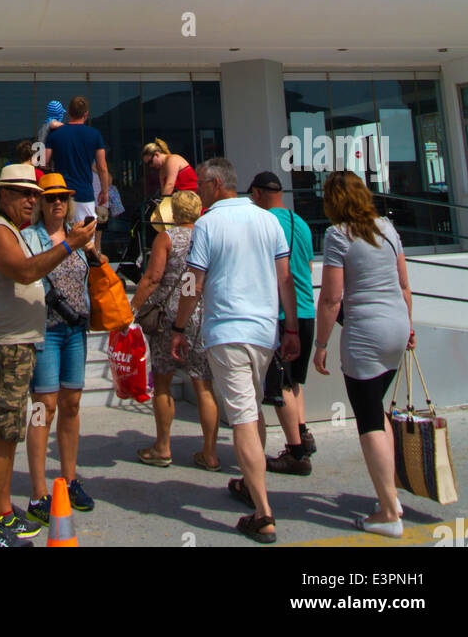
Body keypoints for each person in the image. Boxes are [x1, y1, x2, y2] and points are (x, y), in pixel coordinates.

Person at [0, 164, 96, 548]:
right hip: (6, 346)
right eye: (23, 193)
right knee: (3, 435)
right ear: (2, 195)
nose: (32, 200)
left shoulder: (9, 230)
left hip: (20, 342)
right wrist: (70, 244)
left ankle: (2, 512)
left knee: (12, 432)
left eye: (38, 194)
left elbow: (1, 283)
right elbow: (24, 273)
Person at [170, 157, 299, 544]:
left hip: (227, 331)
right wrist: (290, 327)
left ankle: (263, 514)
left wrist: (179, 326)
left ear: (213, 183)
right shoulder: (268, 220)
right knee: (253, 409)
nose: (197, 190)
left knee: (242, 417)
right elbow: (285, 279)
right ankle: (248, 482)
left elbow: (194, 280)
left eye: (201, 185)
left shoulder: (209, 223)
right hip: (264, 332)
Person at [313, 171, 415, 537]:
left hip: (365, 333)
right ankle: (391, 498)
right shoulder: (387, 228)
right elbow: (404, 284)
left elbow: (331, 298)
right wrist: (409, 326)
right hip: (396, 327)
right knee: (378, 408)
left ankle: (389, 513)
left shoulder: (338, 235)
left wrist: (321, 345)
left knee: (369, 419)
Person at [21, 172, 95, 523]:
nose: (57, 203)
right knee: (43, 407)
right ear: (39, 202)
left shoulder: (78, 236)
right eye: (50, 198)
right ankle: (39, 492)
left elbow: (94, 276)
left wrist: (93, 252)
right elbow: (26, 276)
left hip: (75, 329)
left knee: (72, 403)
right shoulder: (28, 238)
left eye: (62, 197)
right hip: (45, 330)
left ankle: (70, 478)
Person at [131, 190, 219, 470]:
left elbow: (153, 277)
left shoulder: (166, 238)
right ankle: (210, 452)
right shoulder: (208, 236)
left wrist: (132, 307)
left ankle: (163, 446)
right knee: (203, 385)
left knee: (163, 383)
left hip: (169, 316)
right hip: (201, 314)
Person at [247, 171, 317, 473]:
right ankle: (302, 431)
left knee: (281, 387)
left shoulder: (262, 223)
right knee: (295, 381)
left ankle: (296, 453)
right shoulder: (299, 222)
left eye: (251, 195)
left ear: (259, 193)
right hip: (306, 311)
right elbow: (309, 265)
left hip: (280, 315)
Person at [46, 96, 109, 220]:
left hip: (61, 194)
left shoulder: (55, 134)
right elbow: (102, 167)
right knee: (86, 236)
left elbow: (43, 161)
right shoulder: (95, 134)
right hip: (84, 194)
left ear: (69, 113)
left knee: (62, 235)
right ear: (86, 114)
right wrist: (105, 191)